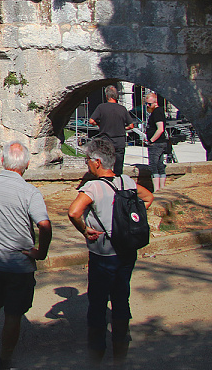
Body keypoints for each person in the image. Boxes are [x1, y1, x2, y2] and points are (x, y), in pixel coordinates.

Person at [68, 137, 154, 364]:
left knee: (97, 303)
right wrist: (130, 220)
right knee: (121, 298)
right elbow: (149, 198)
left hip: (103, 253)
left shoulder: (93, 186)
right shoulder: (127, 181)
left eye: (88, 160)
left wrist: (85, 230)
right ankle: (120, 355)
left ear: (97, 162)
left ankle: (96, 354)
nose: (87, 164)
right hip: (126, 250)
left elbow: (74, 212)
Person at [0, 141, 52, 370]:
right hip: (19, 263)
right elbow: (44, 225)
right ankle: (5, 360)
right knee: (14, 315)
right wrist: (41, 252)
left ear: (1, 161)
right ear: (27, 164)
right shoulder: (30, 193)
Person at [89, 86, 134, 175]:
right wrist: (123, 128)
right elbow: (131, 125)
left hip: (106, 140)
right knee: (118, 167)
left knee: (106, 165)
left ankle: (107, 183)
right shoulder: (122, 109)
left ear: (107, 96)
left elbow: (91, 121)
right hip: (120, 141)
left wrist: (99, 125)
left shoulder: (101, 107)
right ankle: (118, 184)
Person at [145, 92, 167, 190]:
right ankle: (162, 188)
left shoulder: (157, 112)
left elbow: (160, 128)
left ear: (155, 102)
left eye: (150, 104)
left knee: (153, 165)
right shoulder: (158, 111)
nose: (148, 106)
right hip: (160, 142)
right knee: (160, 165)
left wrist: (151, 140)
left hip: (156, 143)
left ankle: (157, 189)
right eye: (147, 104)